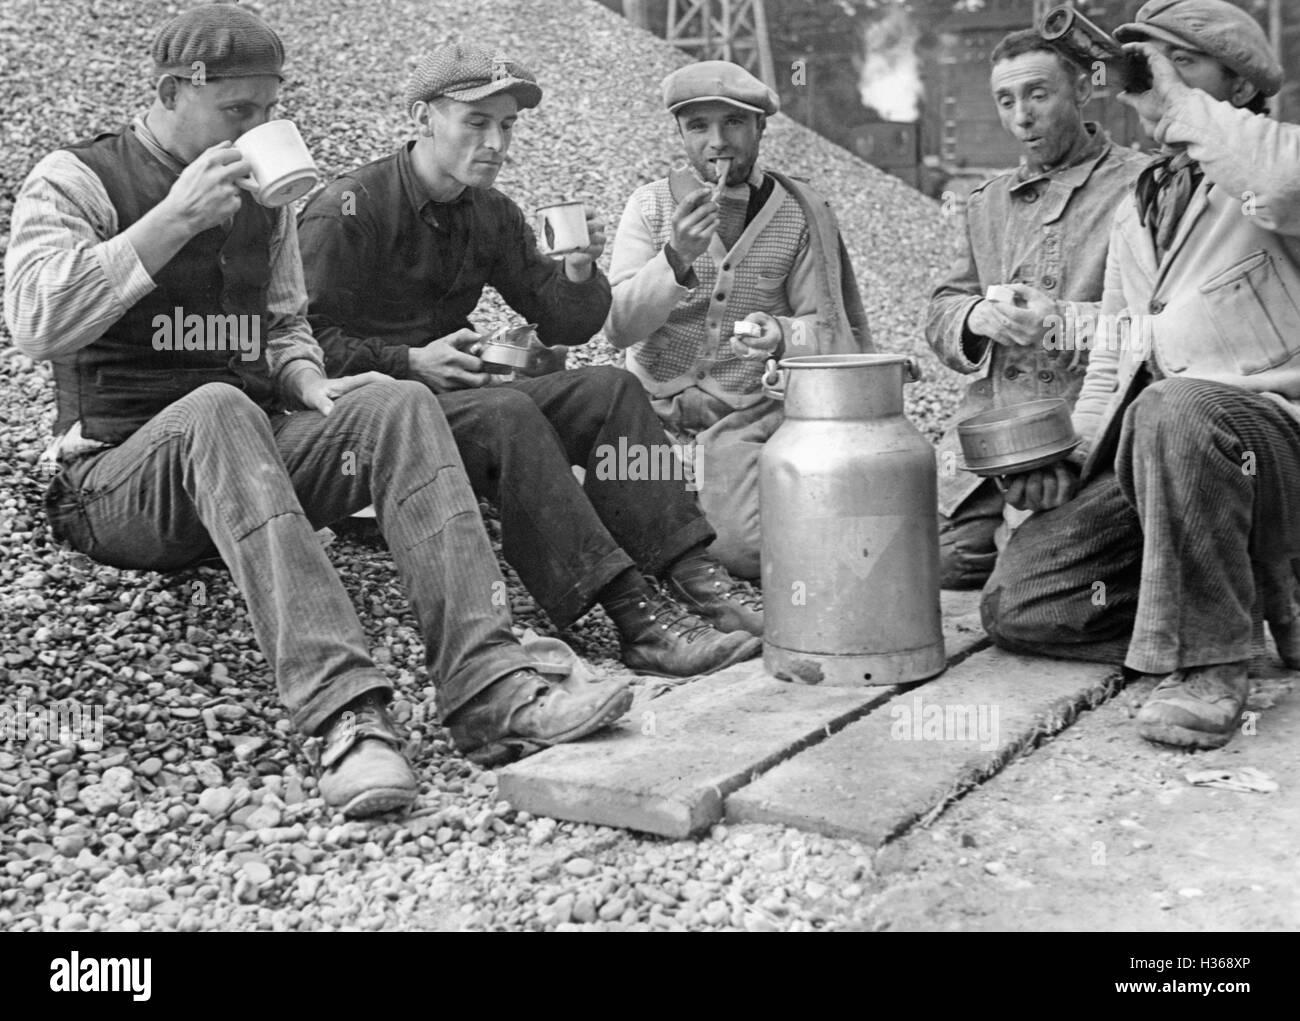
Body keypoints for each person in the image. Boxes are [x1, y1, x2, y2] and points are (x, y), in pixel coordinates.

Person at [2, 4, 636, 817]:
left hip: (246, 462)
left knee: (399, 403)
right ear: (169, 91)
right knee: (219, 406)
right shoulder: (78, 178)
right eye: (240, 111)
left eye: (269, 109)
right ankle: (348, 718)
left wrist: (309, 382)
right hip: (114, 481)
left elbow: (287, 325)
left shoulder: (265, 199)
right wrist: (169, 222)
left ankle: (489, 685)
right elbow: (34, 322)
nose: (260, 126)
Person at [297, 43, 763, 679]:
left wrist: (577, 272)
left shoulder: (490, 212)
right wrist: (409, 360)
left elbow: (569, 322)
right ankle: (638, 621)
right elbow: (294, 338)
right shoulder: (349, 209)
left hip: (446, 399)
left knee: (608, 389)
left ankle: (698, 579)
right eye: (476, 123)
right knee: (507, 412)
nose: (496, 142)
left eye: (507, 125)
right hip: (363, 415)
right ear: (421, 118)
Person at [981, 0, 1299, 752]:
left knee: (1174, 406)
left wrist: (1175, 100)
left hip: (1276, 451)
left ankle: (1210, 665)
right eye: (1147, 64)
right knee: (1023, 603)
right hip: (1186, 466)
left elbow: (1278, 182)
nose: (1156, 82)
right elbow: (1120, 351)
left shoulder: (1271, 169)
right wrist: (1073, 457)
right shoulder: (1145, 202)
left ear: (1243, 87)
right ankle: (1237, 594)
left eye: (1182, 61)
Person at [605, 60, 871, 579]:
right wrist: (675, 258)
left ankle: (700, 495)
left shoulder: (798, 212)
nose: (717, 142)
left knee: (740, 552)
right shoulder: (649, 206)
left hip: (742, 416)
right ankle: (683, 493)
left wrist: (783, 335)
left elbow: (835, 337)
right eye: (698, 126)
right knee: (601, 524)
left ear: (761, 127)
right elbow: (618, 327)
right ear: (680, 132)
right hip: (648, 410)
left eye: (734, 123)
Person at [926, 28, 1148, 590]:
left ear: (1081, 89)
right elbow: (942, 306)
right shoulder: (987, 202)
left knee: (1029, 580)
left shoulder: (1140, 186)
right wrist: (975, 316)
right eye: (1006, 101)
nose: (1021, 116)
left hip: (1096, 424)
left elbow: (1162, 321)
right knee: (937, 560)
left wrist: (1061, 322)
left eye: (1038, 94)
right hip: (998, 426)